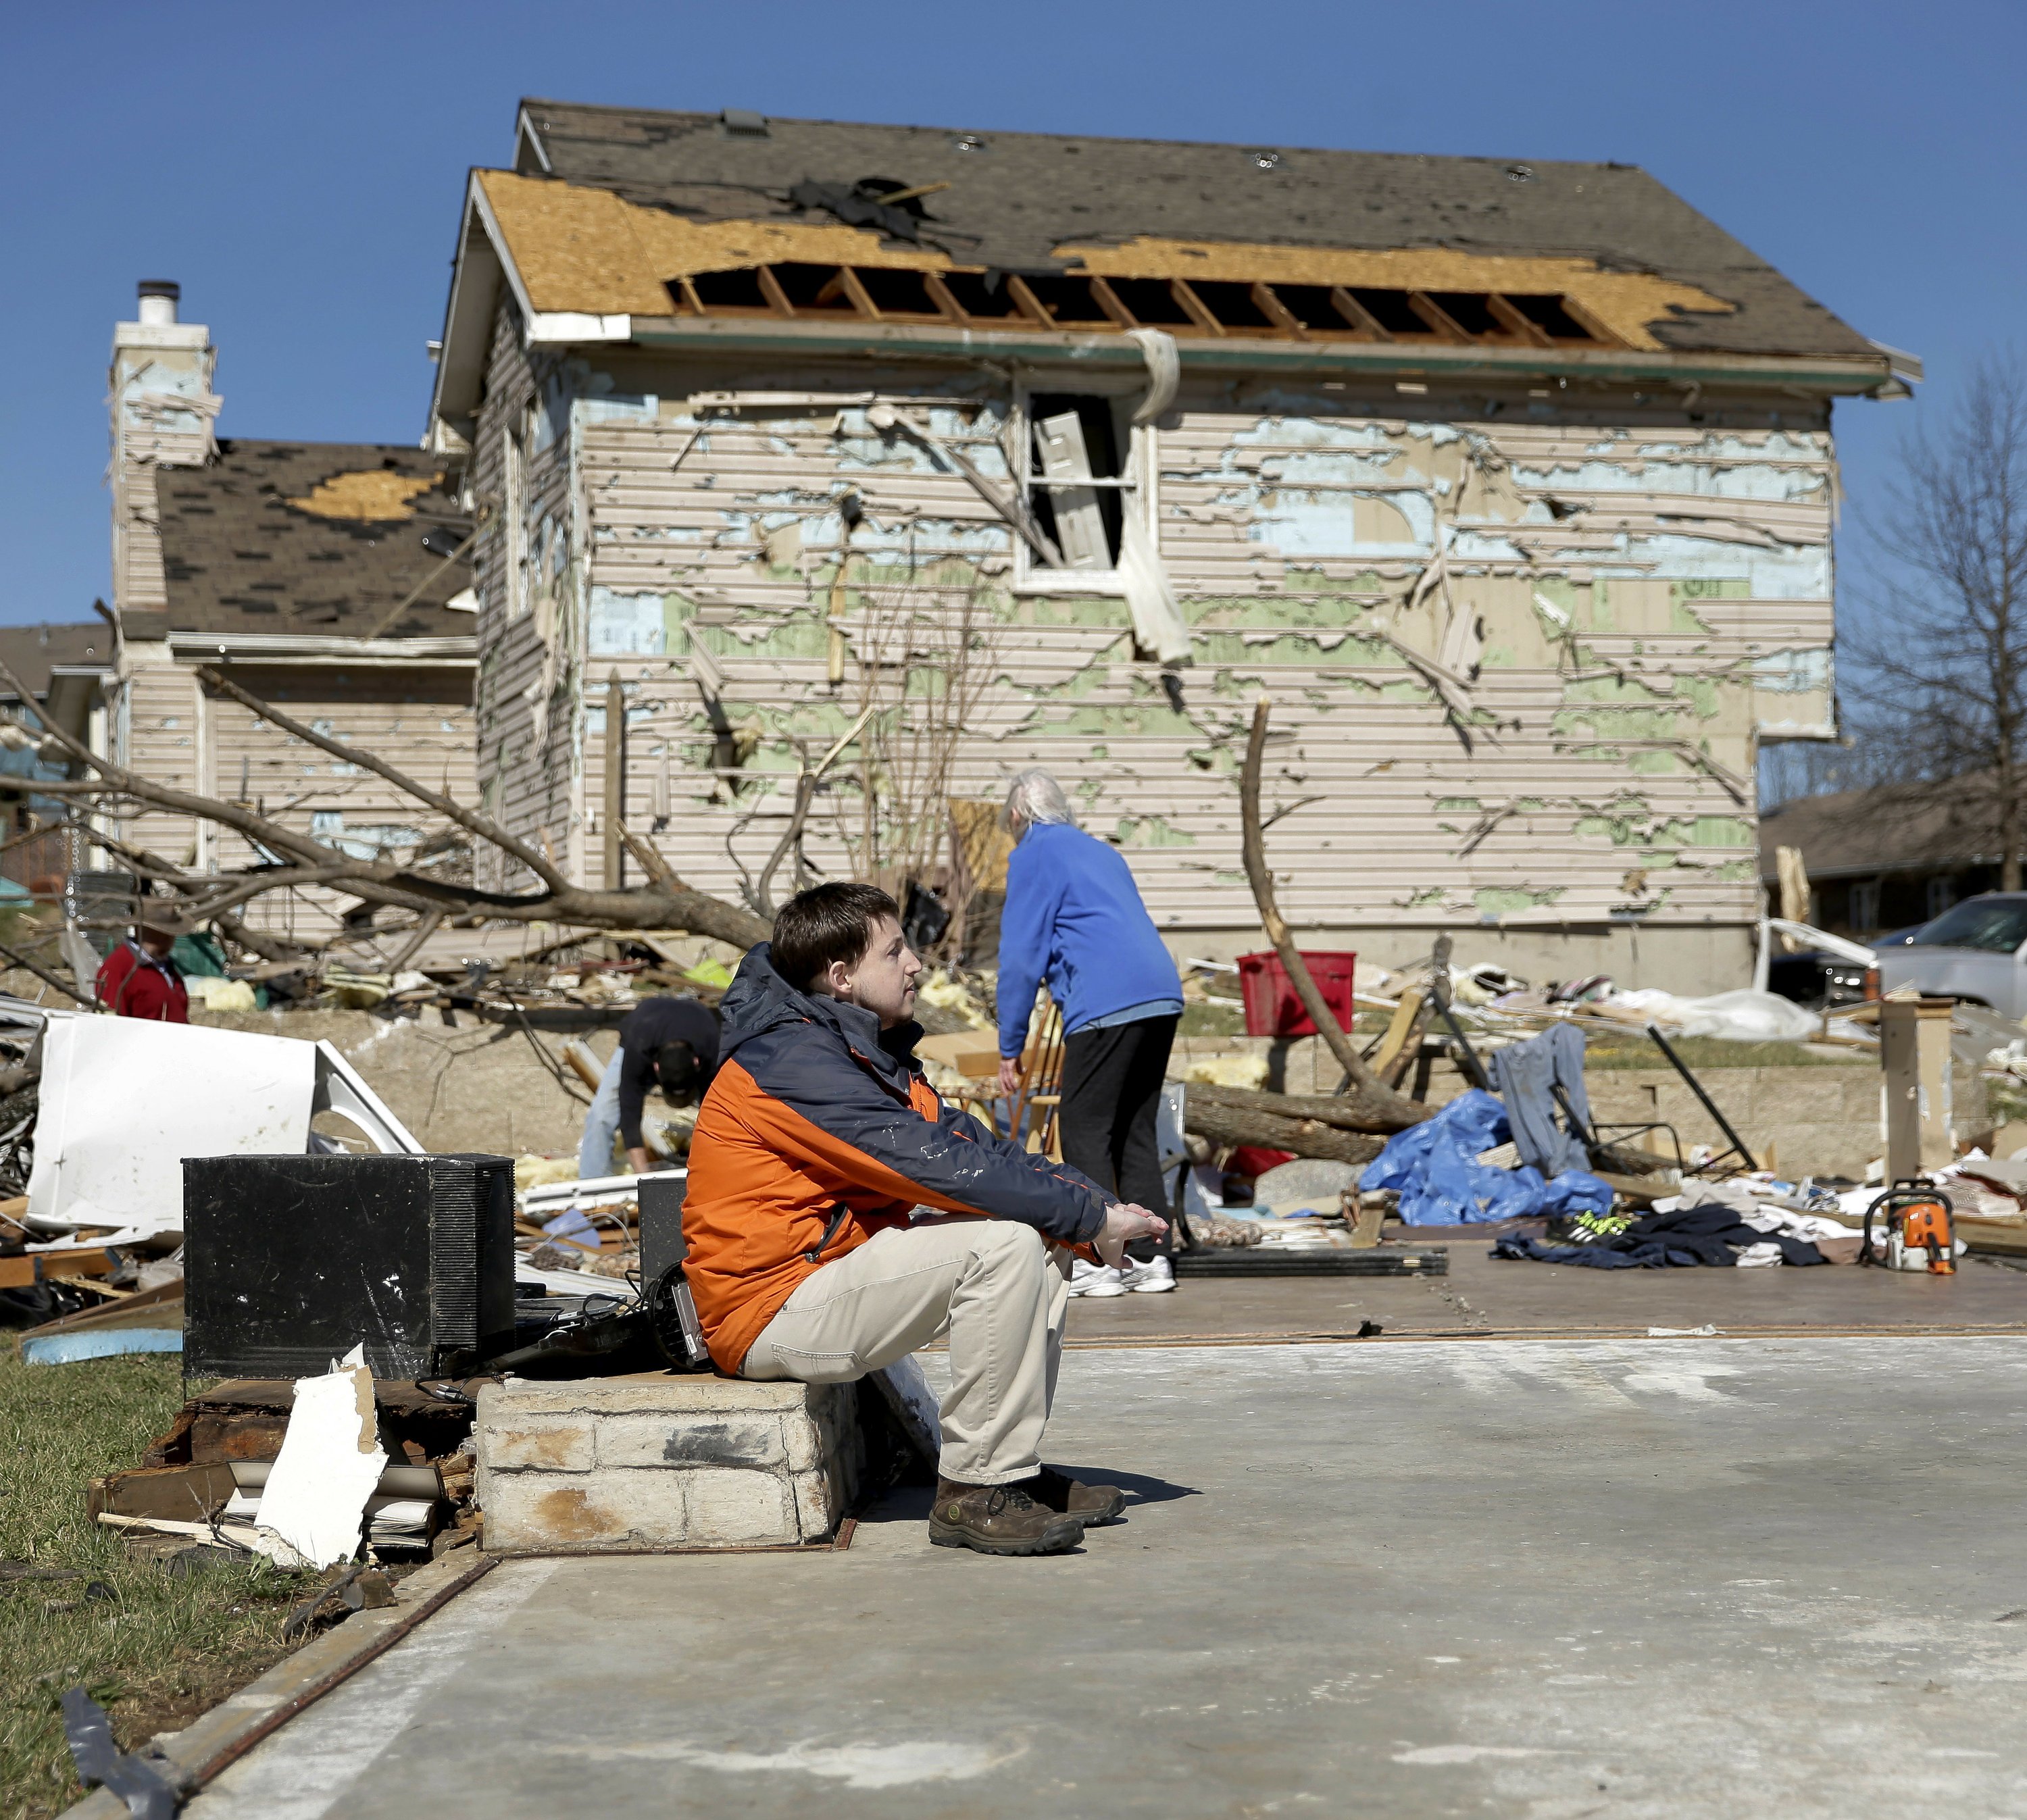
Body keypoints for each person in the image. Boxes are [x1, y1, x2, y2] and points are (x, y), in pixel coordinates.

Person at [683, 882, 1168, 1557]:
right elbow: (936, 1167)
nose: (915, 964)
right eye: (894, 952)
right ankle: (974, 1491)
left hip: (826, 1281)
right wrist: (1089, 1217)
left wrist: (1097, 1212)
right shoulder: (789, 1064)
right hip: (766, 1310)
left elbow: (977, 1148)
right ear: (842, 977)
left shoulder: (857, 1053)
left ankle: (1007, 1468)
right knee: (1000, 1245)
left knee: (1039, 1236)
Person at [995, 769, 1184, 1297]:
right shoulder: (1102, 852)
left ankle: (1099, 1259)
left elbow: (1020, 957)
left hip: (1106, 1000)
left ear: (1018, 816)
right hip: (1160, 992)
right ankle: (1151, 1257)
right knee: (1133, 1129)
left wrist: (1010, 1045)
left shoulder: (1033, 853)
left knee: (1084, 1126)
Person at [578, 994, 723, 1177]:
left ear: (696, 1063)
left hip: (695, 1024)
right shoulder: (638, 1051)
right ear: (656, 1068)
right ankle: (593, 1180)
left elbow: (717, 1117)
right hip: (643, 1030)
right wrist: (645, 1179)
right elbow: (630, 1118)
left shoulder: (711, 1049)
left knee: (717, 1112)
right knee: (601, 1116)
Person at [95, 917, 189, 1022]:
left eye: (171, 934)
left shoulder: (165, 966)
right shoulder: (118, 968)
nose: (167, 941)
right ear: (140, 931)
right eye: (159, 934)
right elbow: (112, 1022)